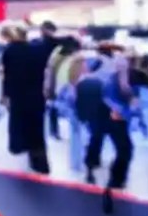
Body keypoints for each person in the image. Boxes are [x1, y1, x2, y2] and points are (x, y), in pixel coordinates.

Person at [79, 52, 135, 189]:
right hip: (114, 116)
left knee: (96, 140)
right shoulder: (115, 78)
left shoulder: (93, 78)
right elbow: (122, 93)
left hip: (100, 116)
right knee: (124, 148)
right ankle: (116, 178)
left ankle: (91, 168)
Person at [0, 25, 49, 174]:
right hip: (36, 95)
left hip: (18, 95)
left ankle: (20, 147)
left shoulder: (9, 51)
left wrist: (5, 95)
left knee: (19, 124)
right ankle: (40, 163)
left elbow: (7, 76)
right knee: (37, 129)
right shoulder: (37, 49)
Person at [50, 37, 88, 172]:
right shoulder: (77, 61)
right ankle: (79, 162)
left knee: (75, 131)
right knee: (79, 131)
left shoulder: (57, 59)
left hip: (63, 97)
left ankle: (75, 163)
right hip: (75, 98)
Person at [38, 21, 63, 140]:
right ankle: (54, 130)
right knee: (52, 103)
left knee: (44, 104)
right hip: (53, 75)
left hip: (43, 76)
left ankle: (48, 130)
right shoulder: (58, 44)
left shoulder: (38, 44)